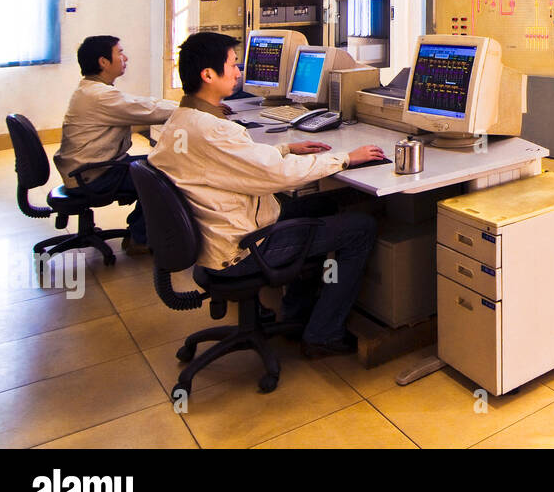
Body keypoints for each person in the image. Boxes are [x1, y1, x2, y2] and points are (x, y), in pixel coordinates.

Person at [148, 32, 387, 358]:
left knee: (322, 203)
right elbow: (278, 176)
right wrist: (345, 158)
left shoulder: (183, 120)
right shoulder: (215, 129)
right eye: (232, 66)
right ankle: (323, 334)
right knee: (360, 228)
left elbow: (236, 160)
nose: (238, 72)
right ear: (208, 75)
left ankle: (296, 313)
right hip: (241, 249)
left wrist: (288, 147)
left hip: (215, 238)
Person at [54, 35, 178, 254]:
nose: (125, 58)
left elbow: (141, 103)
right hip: (95, 174)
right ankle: (140, 238)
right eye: (119, 53)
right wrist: (195, 108)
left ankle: (139, 231)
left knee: (158, 163)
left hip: (91, 168)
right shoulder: (99, 96)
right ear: (103, 62)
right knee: (165, 173)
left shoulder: (93, 90)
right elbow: (148, 109)